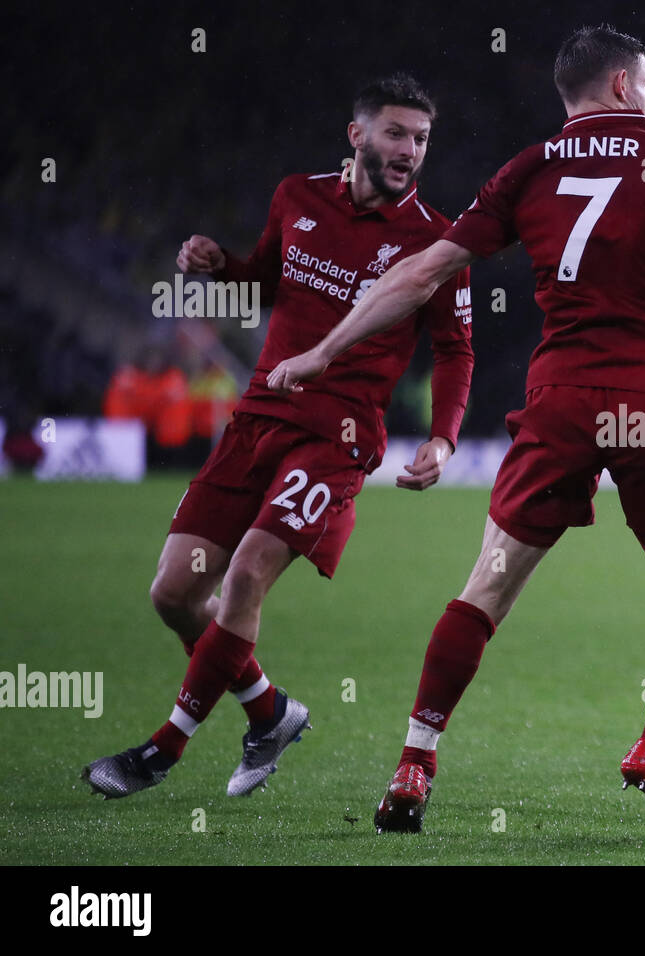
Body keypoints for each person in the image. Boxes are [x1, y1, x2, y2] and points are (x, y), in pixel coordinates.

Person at [269, 25, 645, 835]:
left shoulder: (528, 168)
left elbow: (419, 273)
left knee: (486, 584)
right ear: (623, 86)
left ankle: (414, 762)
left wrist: (322, 349)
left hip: (561, 395)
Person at [83, 74, 474, 799]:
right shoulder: (296, 196)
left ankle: (161, 752)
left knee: (244, 577)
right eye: (395, 133)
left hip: (339, 435)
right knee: (173, 593)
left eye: (420, 139)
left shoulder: (437, 242)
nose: (409, 150)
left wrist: (444, 438)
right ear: (357, 135)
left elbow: (456, 350)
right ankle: (270, 712)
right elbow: (267, 284)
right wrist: (218, 269)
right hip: (259, 415)